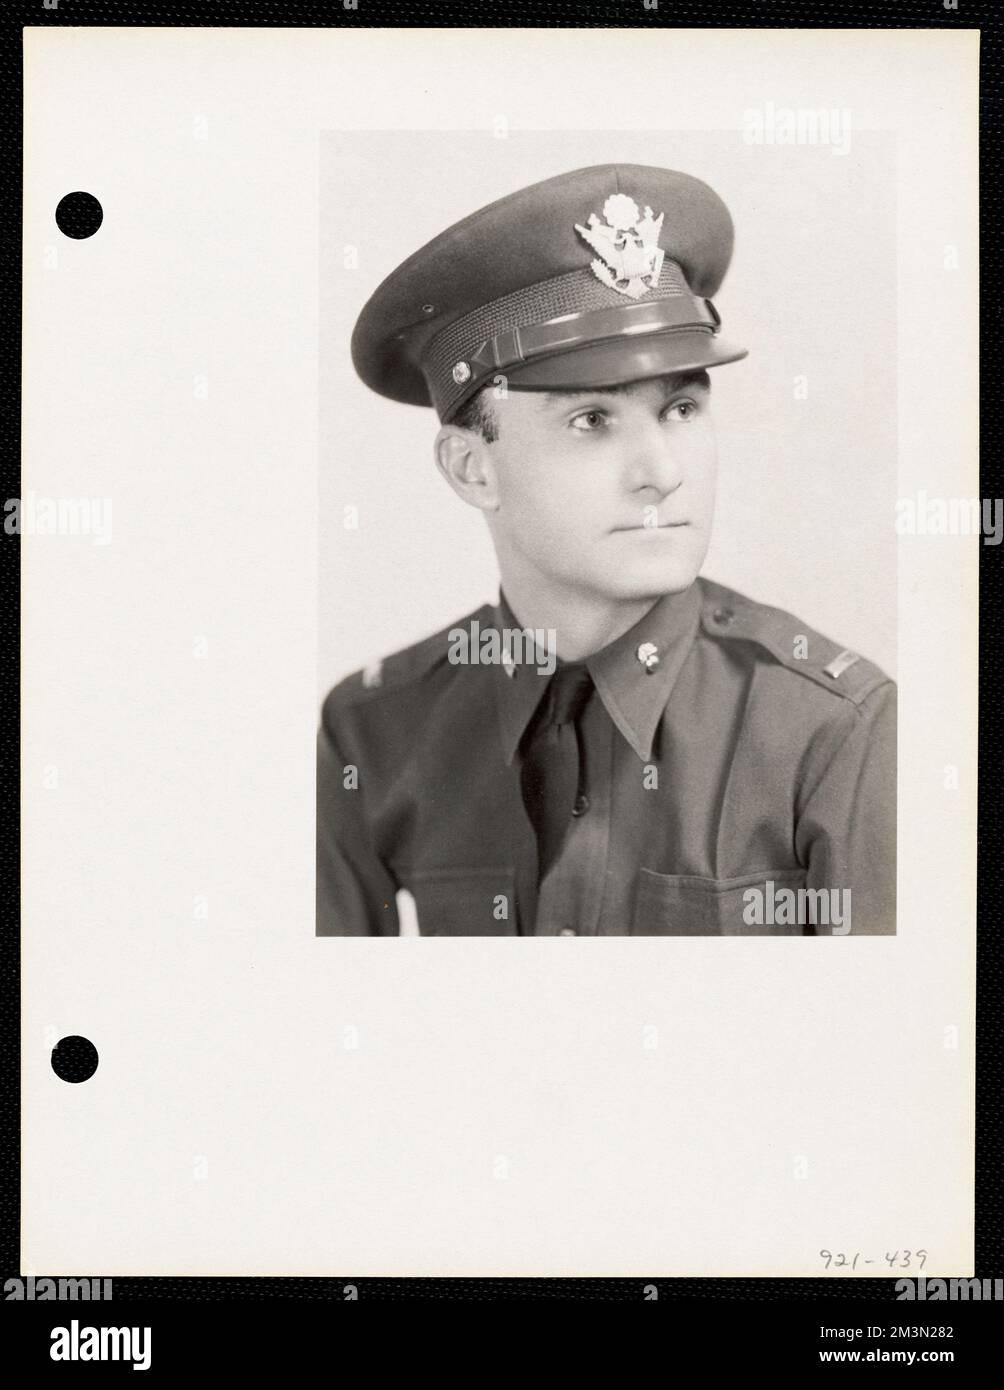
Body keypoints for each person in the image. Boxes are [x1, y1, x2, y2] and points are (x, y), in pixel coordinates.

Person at [317, 163, 896, 937]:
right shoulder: (373, 732)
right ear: (471, 468)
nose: (662, 472)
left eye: (681, 407)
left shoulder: (831, 733)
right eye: (591, 420)